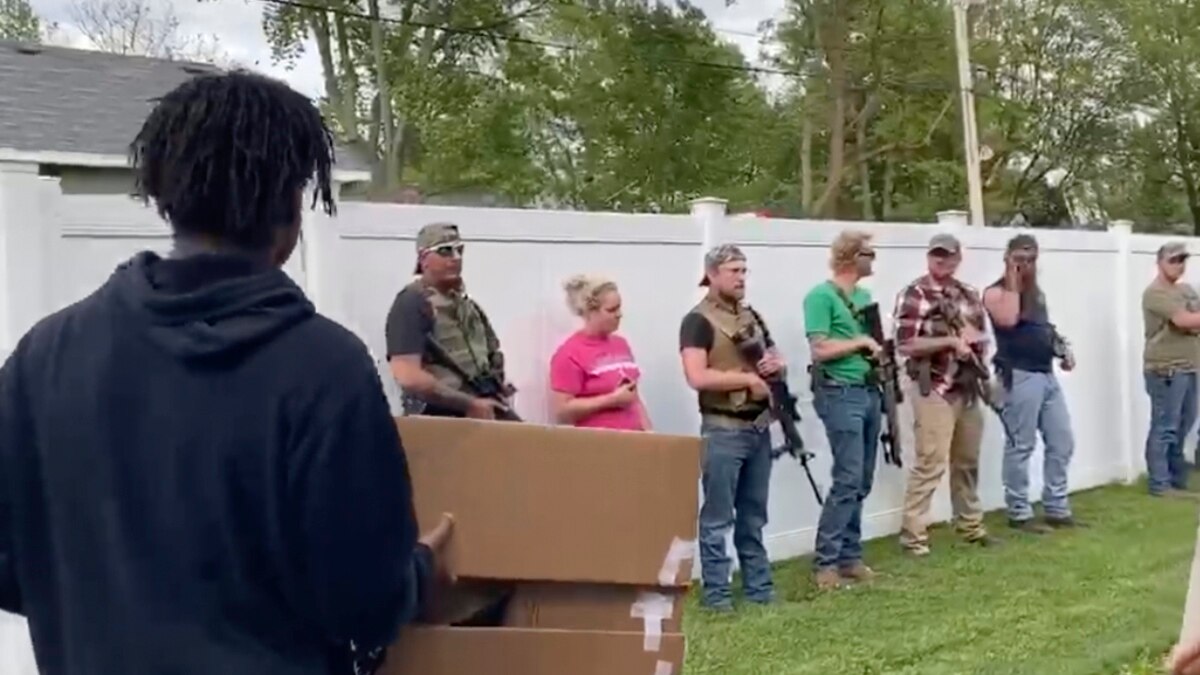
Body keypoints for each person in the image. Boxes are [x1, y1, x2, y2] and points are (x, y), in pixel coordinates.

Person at [0, 70, 451, 675]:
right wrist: (423, 569)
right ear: (292, 205)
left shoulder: (44, 356)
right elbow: (362, 605)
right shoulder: (323, 369)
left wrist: (103, 611)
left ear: (164, 193)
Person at [679, 244, 782, 611]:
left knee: (753, 514)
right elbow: (696, 375)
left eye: (743, 270)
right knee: (718, 517)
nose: (740, 277)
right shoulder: (698, 321)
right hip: (723, 428)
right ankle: (717, 595)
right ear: (712, 274)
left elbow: (772, 353)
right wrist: (744, 381)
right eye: (733, 270)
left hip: (758, 426)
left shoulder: (752, 316)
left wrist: (773, 365)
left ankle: (760, 587)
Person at [893, 233, 996, 556]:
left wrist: (973, 343)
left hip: (965, 386)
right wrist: (949, 343)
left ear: (957, 259)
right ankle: (914, 535)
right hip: (933, 387)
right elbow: (905, 343)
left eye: (947, 255)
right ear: (929, 257)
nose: (941, 260)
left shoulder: (969, 294)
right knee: (930, 461)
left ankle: (970, 526)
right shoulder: (914, 294)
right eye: (936, 254)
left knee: (967, 461)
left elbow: (983, 336)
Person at [982, 234, 1081, 531]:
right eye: (1019, 258)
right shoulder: (996, 292)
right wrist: (1013, 279)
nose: (1026, 264)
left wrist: (1062, 350)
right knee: (1020, 445)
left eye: (1031, 258)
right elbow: (1009, 320)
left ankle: (1056, 507)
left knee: (1062, 441)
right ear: (1007, 258)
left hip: (1045, 374)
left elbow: (1042, 329)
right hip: (1018, 375)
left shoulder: (1037, 295)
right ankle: (1019, 512)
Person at [802, 230, 884, 589]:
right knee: (847, 477)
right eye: (869, 253)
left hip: (869, 390)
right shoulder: (819, 297)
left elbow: (872, 342)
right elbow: (818, 348)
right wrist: (860, 342)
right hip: (839, 392)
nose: (873, 259)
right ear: (852, 257)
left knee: (862, 479)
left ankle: (850, 556)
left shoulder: (864, 297)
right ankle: (827, 562)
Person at [385, 223, 515, 420]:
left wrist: (497, 387)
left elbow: (491, 354)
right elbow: (408, 375)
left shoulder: (466, 306)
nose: (456, 258)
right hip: (439, 419)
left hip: (482, 409)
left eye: (459, 250)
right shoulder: (411, 303)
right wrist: (468, 404)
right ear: (423, 259)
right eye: (445, 251)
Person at [549, 274, 651, 431]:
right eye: (611, 310)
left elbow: (634, 399)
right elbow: (562, 411)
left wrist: (650, 435)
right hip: (598, 444)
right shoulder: (569, 354)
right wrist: (611, 400)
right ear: (590, 313)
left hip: (633, 440)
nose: (619, 314)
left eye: (619, 308)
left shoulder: (621, 345)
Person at [1142, 241, 1200, 498]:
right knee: (1165, 426)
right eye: (1173, 260)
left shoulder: (1186, 290)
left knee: (1184, 424)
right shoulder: (1155, 293)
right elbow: (1184, 320)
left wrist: (1191, 321)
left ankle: (1177, 480)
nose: (1179, 265)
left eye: (1182, 260)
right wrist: (1190, 321)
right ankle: (1159, 484)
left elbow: (1193, 321)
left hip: (1190, 366)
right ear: (1160, 262)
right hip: (1165, 369)